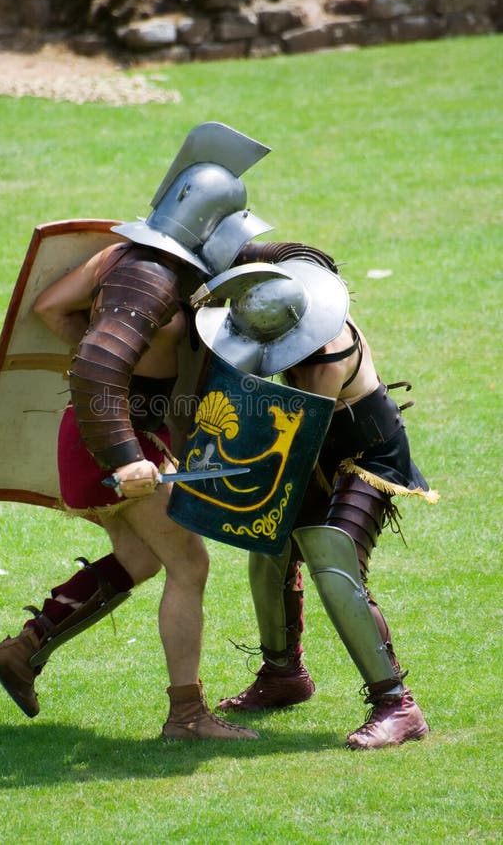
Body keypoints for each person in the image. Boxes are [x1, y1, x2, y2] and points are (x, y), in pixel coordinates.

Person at [0, 121, 274, 740]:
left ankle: (23, 648)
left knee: (141, 557)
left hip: (93, 431)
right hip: (114, 441)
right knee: (189, 565)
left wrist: (113, 355)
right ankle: (187, 716)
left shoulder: (115, 258)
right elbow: (95, 365)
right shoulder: (154, 278)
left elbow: (50, 308)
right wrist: (125, 457)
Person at [192, 241, 439, 749]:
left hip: (366, 455)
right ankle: (282, 676)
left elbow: (289, 437)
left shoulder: (327, 356)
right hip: (310, 449)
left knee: (333, 559)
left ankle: (398, 704)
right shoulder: (275, 312)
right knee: (268, 549)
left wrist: (231, 461)